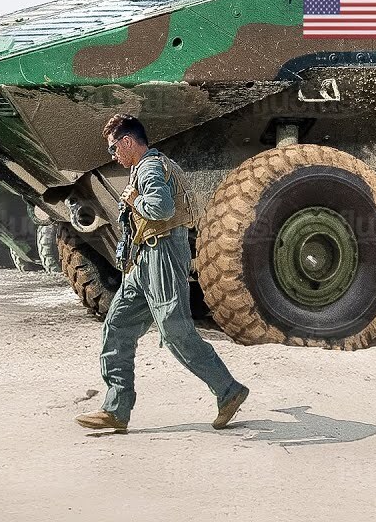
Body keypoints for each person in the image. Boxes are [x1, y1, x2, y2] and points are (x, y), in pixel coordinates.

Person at [75, 113, 248, 432]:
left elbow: (162, 208)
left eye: (114, 148)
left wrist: (135, 199)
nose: (113, 155)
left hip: (163, 252)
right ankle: (116, 410)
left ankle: (228, 390)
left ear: (128, 142)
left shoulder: (151, 168)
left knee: (174, 329)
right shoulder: (144, 167)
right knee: (118, 325)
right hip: (145, 257)